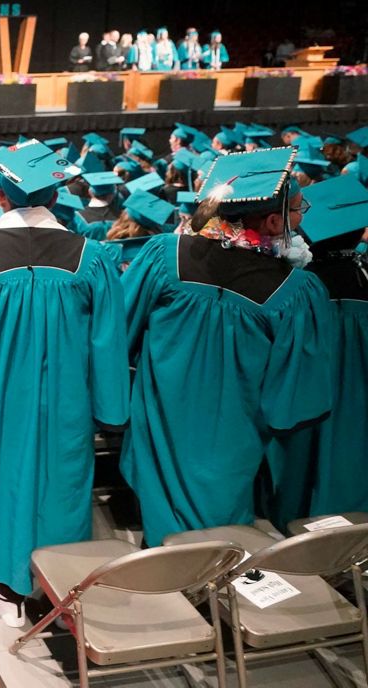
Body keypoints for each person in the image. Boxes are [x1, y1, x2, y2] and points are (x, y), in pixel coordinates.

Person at [0, 139, 126, 626]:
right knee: (60, 483)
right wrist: (111, 410)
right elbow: (107, 345)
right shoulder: (91, 257)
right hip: (66, 406)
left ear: (1, 197)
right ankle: (57, 586)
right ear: (56, 197)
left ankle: (5, 584)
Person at [122, 148, 333, 547]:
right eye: (296, 209)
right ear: (272, 221)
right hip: (233, 434)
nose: (301, 217)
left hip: (161, 420)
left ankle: (167, 578)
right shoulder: (294, 292)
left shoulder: (166, 257)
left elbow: (122, 331)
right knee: (222, 531)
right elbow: (290, 396)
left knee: (162, 521)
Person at [265, 178, 368, 528]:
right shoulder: (362, 282)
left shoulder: (292, 287)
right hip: (358, 403)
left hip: (303, 402)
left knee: (299, 470)